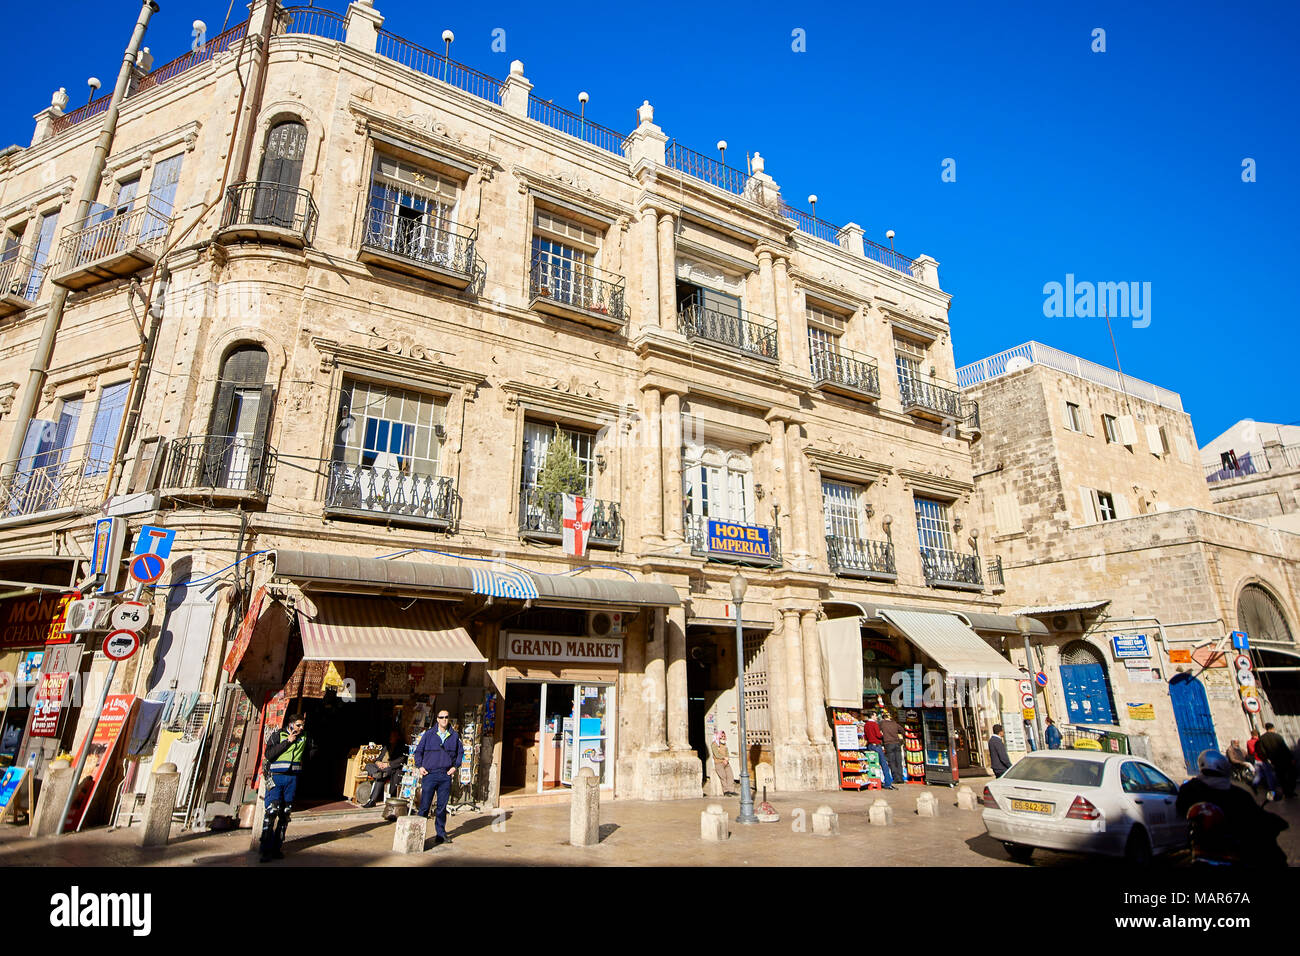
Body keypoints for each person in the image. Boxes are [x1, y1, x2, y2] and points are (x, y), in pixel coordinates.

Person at [1175, 750, 1287, 867]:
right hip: (1230, 847)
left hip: (1201, 846)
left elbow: (1180, 810)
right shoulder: (1237, 794)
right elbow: (1255, 816)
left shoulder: (1188, 789)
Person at [260, 713, 312, 863]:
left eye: (302, 725)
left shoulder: (305, 737)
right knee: (271, 811)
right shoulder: (278, 735)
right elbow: (269, 754)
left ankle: (277, 847)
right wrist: (288, 742)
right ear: (290, 724)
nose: (301, 728)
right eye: (298, 725)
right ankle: (265, 848)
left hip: (292, 778)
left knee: (285, 813)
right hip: (276, 777)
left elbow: (311, 751)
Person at [414, 709, 463, 845]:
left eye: (446, 717)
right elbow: (418, 752)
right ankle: (418, 834)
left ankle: (440, 834)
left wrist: (455, 767)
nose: (444, 720)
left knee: (442, 807)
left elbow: (460, 753)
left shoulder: (454, 736)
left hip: (445, 775)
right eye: (441, 717)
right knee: (424, 806)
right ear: (437, 719)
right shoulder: (429, 735)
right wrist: (420, 766)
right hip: (430, 774)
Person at [362, 729, 409, 808]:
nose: (391, 738)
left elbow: (401, 759)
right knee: (368, 765)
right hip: (381, 768)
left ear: (397, 737)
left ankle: (372, 800)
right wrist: (378, 763)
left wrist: (387, 764)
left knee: (381, 776)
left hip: (392, 768)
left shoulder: (402, 746)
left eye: (392, 736)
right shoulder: (387, 746)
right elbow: (378, 758)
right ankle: (377, 772)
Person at [1256, 723, 1297, 799]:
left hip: (1274, 761)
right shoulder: (1277, 736)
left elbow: (1262, 751)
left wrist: (1267, 759)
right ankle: (1290, 791)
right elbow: (1284, 748)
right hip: (1284, 759)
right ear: (1272, 728)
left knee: (1281, 777)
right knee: (1291, 775)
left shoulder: (1262, 738)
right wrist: (1292, 758)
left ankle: (1286, 791)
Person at [863, 712, 894, 789]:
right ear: (872, 716)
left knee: (872, 765)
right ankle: (888, 783)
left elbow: (865, 736)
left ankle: (872, 781)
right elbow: (878, 735)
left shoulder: (866, 725)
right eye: (875, 715)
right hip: (876, 746)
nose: (876, 717)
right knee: (884, 764)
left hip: (870, 745)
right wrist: (881, 734)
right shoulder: (874, 724)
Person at [877, 710, 905, 786]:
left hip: (888, 744)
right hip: (897, 743)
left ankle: (896, 778)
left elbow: (877, 731)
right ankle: (901, 778)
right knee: (899, 761)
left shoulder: (882, 724)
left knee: (892, 762)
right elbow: (902, 730)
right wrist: (900, 737)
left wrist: (882, 737)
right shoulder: (894, 723)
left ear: (883, 718)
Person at [710, 730, 739, 796]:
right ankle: (726, 791)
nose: (723, 738)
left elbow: (727, 753)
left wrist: (727, 759)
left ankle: (731, 790)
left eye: (724, 736)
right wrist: (724, 758)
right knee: (723, 776)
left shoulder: (724, 744)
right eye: (721, 736)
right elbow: (716, 754)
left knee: (730, 775)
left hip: (725, 762)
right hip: (719, 763)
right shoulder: (714, 744)